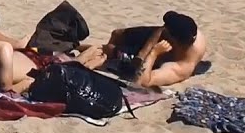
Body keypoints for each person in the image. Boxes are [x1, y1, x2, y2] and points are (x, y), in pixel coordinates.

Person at [75, 11, 209, 88]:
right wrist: (142, 54)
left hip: (158, 56)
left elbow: (145, 81)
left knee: (112, 51)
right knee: (116, 34)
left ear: (173, 40)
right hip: (156, 48)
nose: (164, 30)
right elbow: (161, 29)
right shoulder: (189, 33)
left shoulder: (182, 66)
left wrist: (154, 53)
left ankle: (104, 54)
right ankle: (79, 47)